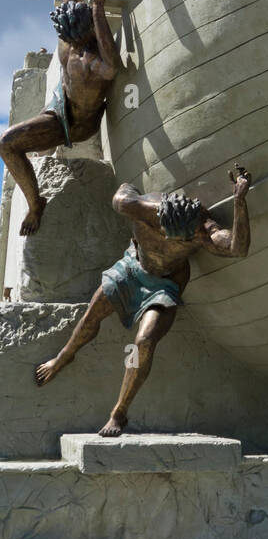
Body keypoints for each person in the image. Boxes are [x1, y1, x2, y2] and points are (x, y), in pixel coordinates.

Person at [34, 167, 251, 437]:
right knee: (92, 314)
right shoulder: (139, 207)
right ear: (159, 223)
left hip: (165, 285)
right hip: (132, 267)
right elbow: (124, 190)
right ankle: (63, 356)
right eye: (184, 237)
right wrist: (128, 193)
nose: (192, 240)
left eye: (191, 237)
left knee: (144, 342)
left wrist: (239, 200)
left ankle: (119, 412)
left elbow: (238, 248)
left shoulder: (203, 228)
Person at [0, 0, 121, 235]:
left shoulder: (86, 57)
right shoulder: (87, 54)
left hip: (74, 125)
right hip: (59, 107)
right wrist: (97, 2)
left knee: (7, 144)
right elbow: (112, 64)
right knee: (8, 143)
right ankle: (36, 202)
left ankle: (35, 205)